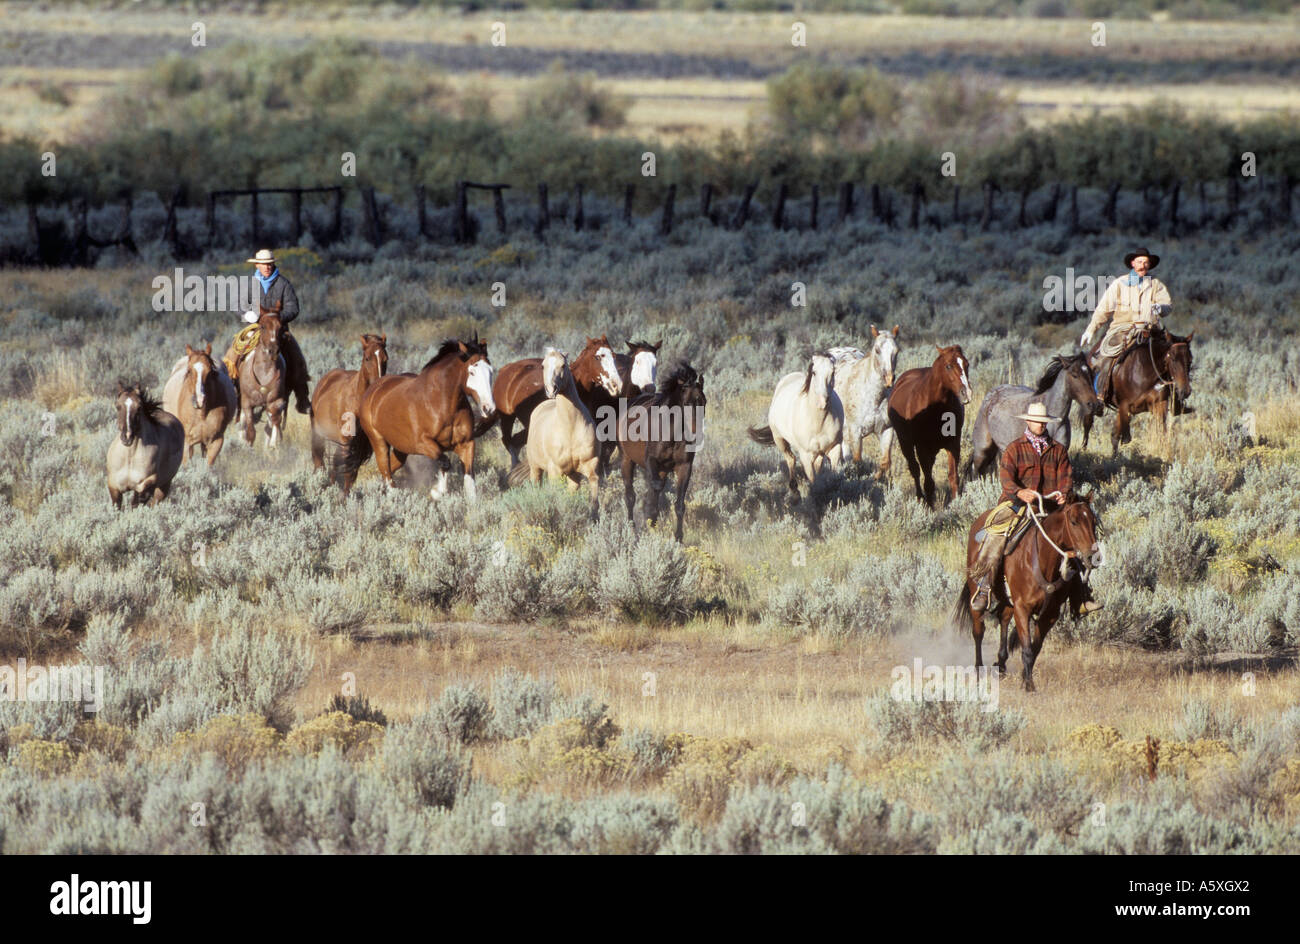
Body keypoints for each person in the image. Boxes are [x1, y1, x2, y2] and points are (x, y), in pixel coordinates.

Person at [969, 402, 1102, 616]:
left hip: (1050, 508)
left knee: (1073, 537)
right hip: (1016, 505)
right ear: (1028, 422)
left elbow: (1066, 479)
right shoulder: (1014, 449)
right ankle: (985, 587)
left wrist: (1063, 493)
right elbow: (1006, 479)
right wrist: (1020, 492)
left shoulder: (1058, 450)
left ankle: (1081, 596)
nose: (1040, 424)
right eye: (1037, 421)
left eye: (1043, 422)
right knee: (997, 534)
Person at [1080, 247, 1172, 401]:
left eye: (1146, 262)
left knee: (1175, 355)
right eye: (1140, 262)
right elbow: (1103, 310)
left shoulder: (1156, 285)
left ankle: (1176, 398)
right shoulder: (1119, 284)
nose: (1143, 265)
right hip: (1122, 330)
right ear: (1133, 263)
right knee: (1106, 357)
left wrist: (1160, 307)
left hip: (1150, 330)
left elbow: (1167, 305)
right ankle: (1101, 394)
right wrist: (1091, 330)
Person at [237, 249, 311, 413]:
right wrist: (246, 315)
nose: (267, 267)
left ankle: (302, 398)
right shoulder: (249, 284)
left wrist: (276, 319)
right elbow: (239, 305)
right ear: (257, 265)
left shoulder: (283, 284)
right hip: (255, 328)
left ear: (273, 264)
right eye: (263, 264)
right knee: (233, 355)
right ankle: (234, 390)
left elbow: (293, 308)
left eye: (269, 264)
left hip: (278, 329)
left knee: (296, 357)